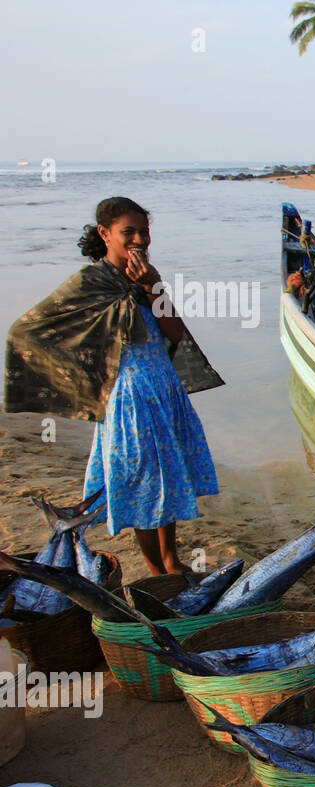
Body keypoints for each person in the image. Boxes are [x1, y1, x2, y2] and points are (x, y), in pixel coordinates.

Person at [4, 197, 224, 576]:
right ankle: (155, 569)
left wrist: (152, 286)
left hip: (164, 389)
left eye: (145, 231)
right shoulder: (90, 283)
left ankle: (172, 558)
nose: (139, 239)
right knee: (140, 482)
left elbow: (174, 332)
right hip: (128, 397)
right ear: (105, 234)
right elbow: (25, 331)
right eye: (129, 232)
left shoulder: (146, 279)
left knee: (167, 477)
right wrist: (82, 379)